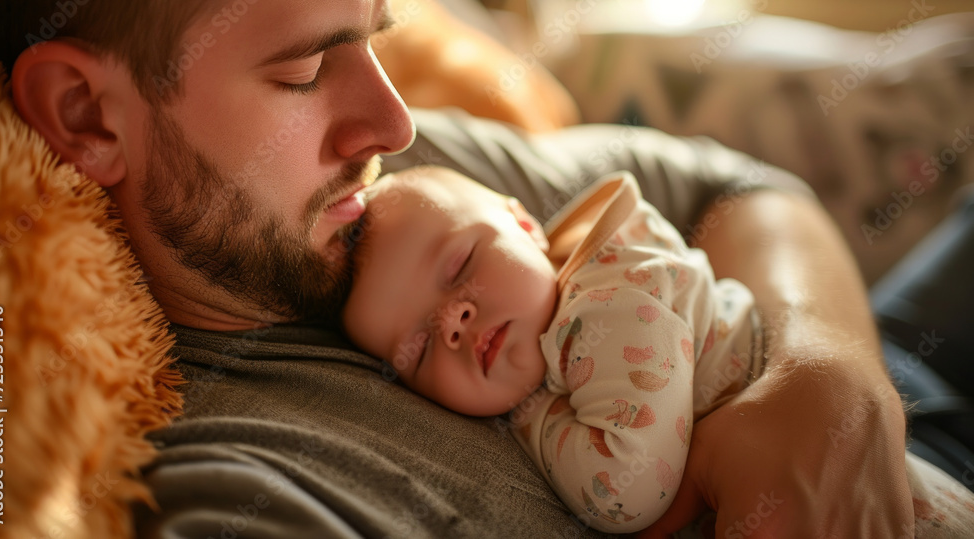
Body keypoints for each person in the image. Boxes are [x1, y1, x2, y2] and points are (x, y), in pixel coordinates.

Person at [0, 0, 945, 536]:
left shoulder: (394, 185)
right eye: (307, 67)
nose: (393, 122)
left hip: (900, 392)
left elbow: (735, 186)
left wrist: (827, 370)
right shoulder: (243, 486)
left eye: (373, 41)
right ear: (84, 113)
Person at [341, 165, 974, 535]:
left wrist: (531, 416)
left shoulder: (609, 303)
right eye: (419, 347)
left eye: (460, 266)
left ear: (527, 224)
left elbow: (629, 488)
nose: (455, 319)